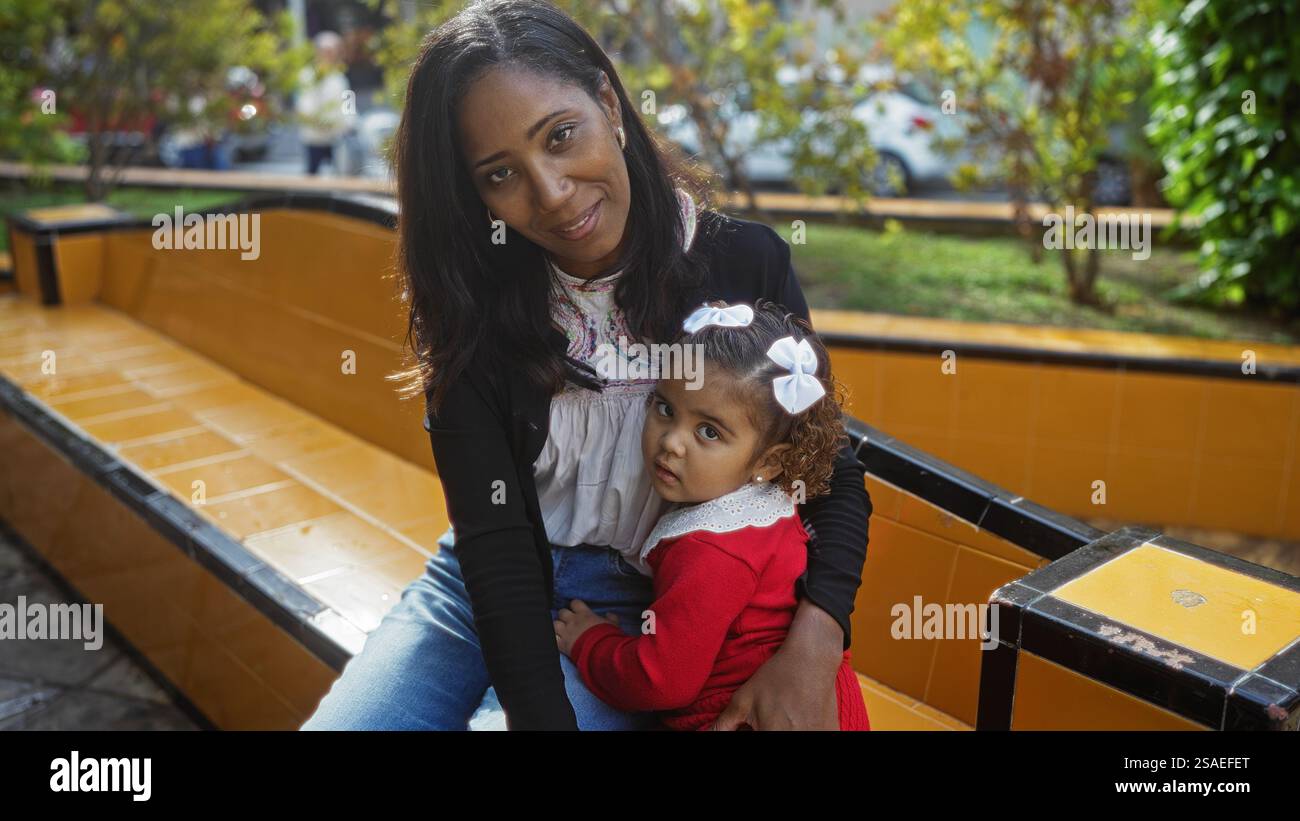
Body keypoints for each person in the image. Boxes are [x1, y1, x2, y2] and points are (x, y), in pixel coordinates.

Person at [300, 0, 872, 732]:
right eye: (501, 173)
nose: (551, 191)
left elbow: (830, 471)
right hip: (482, 590)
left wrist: (816, 643)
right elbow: (494, 541)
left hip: (652, 613)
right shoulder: (475, 303)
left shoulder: (741, 262)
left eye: (561, 136)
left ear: (609, 101)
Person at [555, 300, 872, 731]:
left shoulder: (710, 549)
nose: (672, 442)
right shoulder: (764, 508)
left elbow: (661, 682)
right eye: (665, 408)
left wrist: (590, 642)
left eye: (709, 431)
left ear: (770, 462)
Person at [296, 31, 355, 175]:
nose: (329, 55)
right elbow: (303, 105)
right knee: (312, 178)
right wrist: (318, 120)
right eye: (326, 51)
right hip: (313, 138)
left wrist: (350, 123)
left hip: (336, 139)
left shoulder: (340, 78)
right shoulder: (306, 76)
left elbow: (349, 105)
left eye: (332, 51)